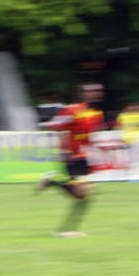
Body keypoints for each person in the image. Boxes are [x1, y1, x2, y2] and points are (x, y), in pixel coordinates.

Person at [35, 82, 105, 237]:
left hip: (85, 158)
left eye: (97, 91)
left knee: (84, 197)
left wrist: (95, 153)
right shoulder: (74, 110)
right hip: (73, 156)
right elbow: (58, 126)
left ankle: (67, 229)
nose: (95, 93)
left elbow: (88, 137)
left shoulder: (97, 114)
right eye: (90, 91)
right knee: (82, 195)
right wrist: (63, 150)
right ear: (83, 94)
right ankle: (66, 228)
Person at [116, 101, 139, 177]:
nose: (129, 109)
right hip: (126, 139)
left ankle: (136, 173)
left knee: (136, 157)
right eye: (128, 108)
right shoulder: (122, 116)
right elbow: (118, 127)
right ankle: (127, 173)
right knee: (127, 157)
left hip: (136, 139)